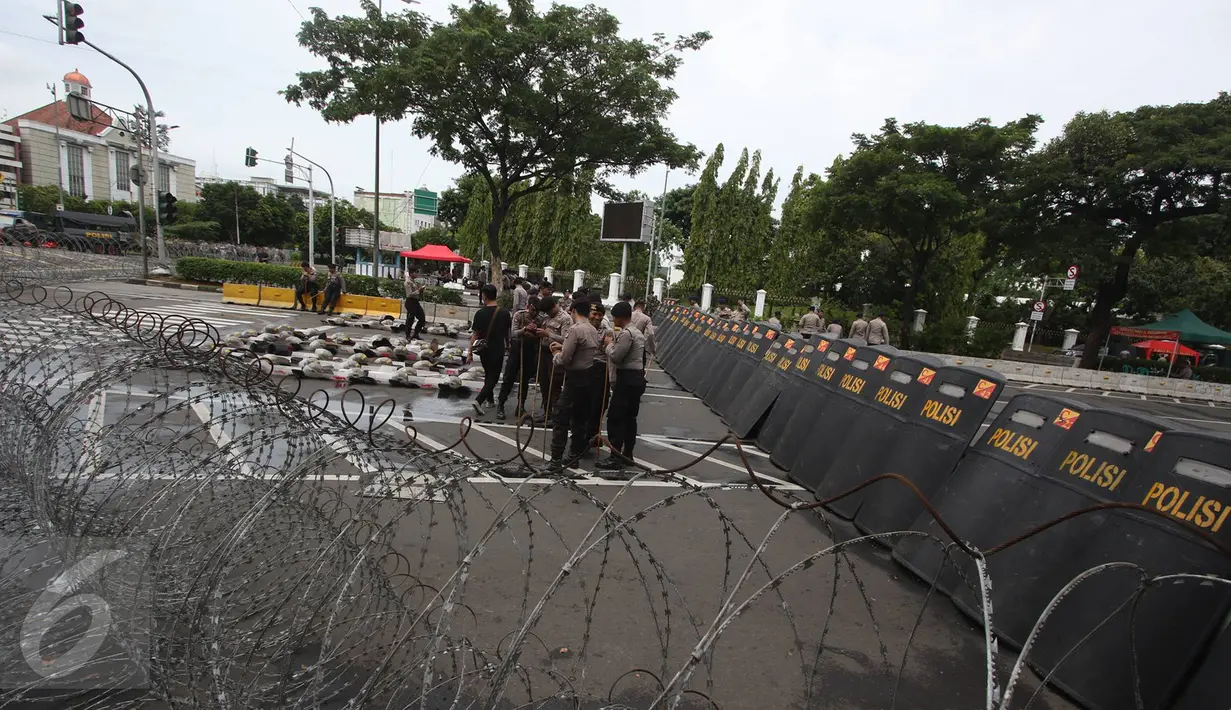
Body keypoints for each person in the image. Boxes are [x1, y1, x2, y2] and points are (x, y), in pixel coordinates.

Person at [549, 300, 602, 465]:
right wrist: (564, 346)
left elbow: (564, 360)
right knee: (579, 419)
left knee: (561, 417)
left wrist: (556, 354)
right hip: (588, 377)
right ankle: (574, 455)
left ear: (573, 311)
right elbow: (582, 350)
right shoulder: (593, 330)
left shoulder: (575, 329)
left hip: (574, 379)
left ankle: (555, 460)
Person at [597, 301, 649, 470]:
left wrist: (609, 344)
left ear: (620, 317)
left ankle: (615, 456)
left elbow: (616, 356)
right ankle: (628, 454)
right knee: (630, 418)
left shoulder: (627, 334)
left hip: (627, 378)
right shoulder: (637, 332)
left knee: (616, 417)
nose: (613, 320)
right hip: (637, 378)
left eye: (614, 317)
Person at [469, 284, 512, 416]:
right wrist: (508, 346)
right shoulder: (505, 313)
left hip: (484, 349)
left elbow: (475, 334)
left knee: (488, 374)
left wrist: (470, 352)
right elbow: (507, 333)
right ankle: (479, 400)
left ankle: (490, 400)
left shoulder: (480, 313)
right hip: (497, 349)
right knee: (493, 377)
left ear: (484, 296)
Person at [497, 296, 543, 420]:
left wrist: (535, 335)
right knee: (509, 378)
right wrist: (524, 330)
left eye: (537, 310)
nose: (535, 313)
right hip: (517, 349)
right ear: (528, 307)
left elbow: (542, 336)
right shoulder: (519, 315)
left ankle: (521, 406)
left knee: (525, 380)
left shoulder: (540, 319)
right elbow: (513, 333)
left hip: (530, 351)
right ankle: (501, 404)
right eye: (533, 310)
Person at [535, 296, 572, 424]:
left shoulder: (565, 318)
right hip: (543, 352)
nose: (548, 314)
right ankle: (547, 412)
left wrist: (548, 334)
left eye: (549, 311)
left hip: (555, 353)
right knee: (544, 384)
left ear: (554, 306)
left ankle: (556, 415)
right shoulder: (546, 317)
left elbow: (566, 340)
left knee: (554, 385)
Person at [588, 301, 613, 440]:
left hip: (600, 369)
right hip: (584, 367)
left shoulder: (607, 331)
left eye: (600, 315)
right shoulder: (581, 327)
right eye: (594, 314)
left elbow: (610, 351)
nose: (597, 317)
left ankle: (593, 433)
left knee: (599, 403)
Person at [404, 268, 427, 339]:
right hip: (410, 302)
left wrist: (421, 290)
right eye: (416, 272)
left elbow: (417, 292)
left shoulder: (414, 282)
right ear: (411, 273)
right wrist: (418, 291)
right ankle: (407, 335)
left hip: (416, 302)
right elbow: (409, 294)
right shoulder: (408, 282)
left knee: (422, 318)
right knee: (410, 319)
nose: (417, 274)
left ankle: (416, 334)